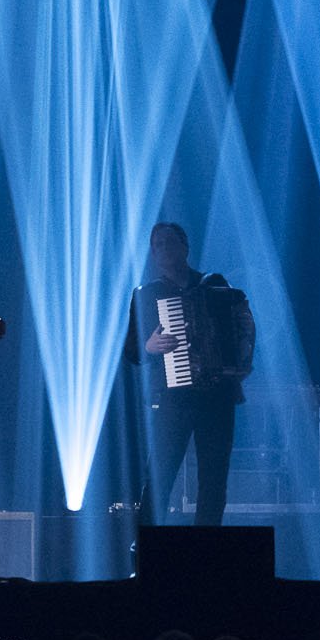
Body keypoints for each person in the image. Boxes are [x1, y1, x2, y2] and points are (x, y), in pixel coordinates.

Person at [123, 223, 254, 526]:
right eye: (157, 244)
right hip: (173, 399)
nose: (164, 248)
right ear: (153, 254)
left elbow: (242, 325)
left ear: (185, 247)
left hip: (217, 396)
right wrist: (150, 345)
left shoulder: (214, 284)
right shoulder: (146, 295)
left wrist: (241, 364)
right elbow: (131, 351)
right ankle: (144, 552)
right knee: (160, 477)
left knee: (213, 480)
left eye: (170, 242)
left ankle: (205, 552)